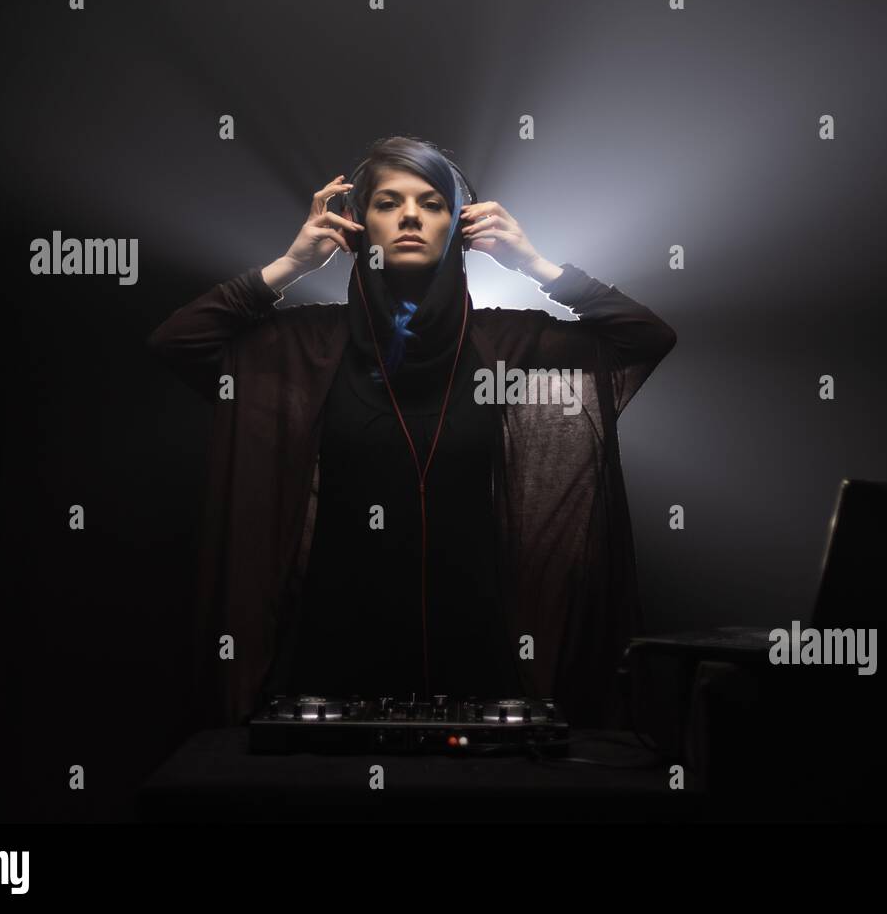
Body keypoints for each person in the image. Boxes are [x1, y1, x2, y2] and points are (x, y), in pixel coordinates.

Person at [146, 135, 676, 728]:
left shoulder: (507, 346)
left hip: (479, 649)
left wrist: (534, 263)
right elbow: (177, 342)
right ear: (357, 224)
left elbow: (645, 337)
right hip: (330, 649)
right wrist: (291, 265)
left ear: (461, 224)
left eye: (432, 202)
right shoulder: (306, 345)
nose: (409, 217)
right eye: (387, 202)